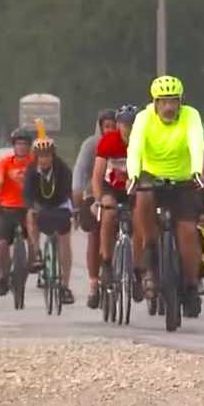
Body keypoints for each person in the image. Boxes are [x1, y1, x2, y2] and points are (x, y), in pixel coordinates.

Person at [125, 74, 204, 315]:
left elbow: (197, 143)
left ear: (181, 101)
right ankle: (150, 247)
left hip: (184, 180)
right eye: (163, 102)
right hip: (151, 176)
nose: (169, 107)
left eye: (173, 101)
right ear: (155, 103)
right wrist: (133, 175)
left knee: (188, 232)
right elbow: (135, 148)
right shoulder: (143, 118)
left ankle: (190, 286)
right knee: (143, 199)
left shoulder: (191, 115)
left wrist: (197, 171)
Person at [92, 105, 137, 308]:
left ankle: (140, 268)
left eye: (132, 125)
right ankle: (107, 262)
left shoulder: (142, 141)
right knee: (109, 214)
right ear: (118, 125)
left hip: (133, 188)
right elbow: (97, 175)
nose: (128, 129)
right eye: (124, 125)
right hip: (110, 187)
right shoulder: (109, 141)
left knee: (142, 216)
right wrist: (98, 199)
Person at [74, 109, 118, 308]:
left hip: (120, 194)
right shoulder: (91, 145)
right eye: (107, 126)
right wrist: (77, 196)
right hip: (93, 194)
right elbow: (79, 173)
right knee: (94, 233)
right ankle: (93, 283)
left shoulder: (127, 144)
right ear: (100, 127)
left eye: (114, 126)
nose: (111, 130)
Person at [23, 137, 75, 304]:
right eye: (41, 156)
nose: (44, 159)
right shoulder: (31, 170)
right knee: (30, 214)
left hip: (59, 205)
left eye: (47, 155)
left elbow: (67, 192)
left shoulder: (63, 169)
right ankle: (37, 253)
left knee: (64, 240)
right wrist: (33, 207)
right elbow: (27, 195)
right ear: (36, 157)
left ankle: (65, 286)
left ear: (53, 155)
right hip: (41, 206)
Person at [0, 128, 35, 295]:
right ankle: (3, 276)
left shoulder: (34, 162)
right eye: (18, 144)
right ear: (13, 146)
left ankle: (29, 268)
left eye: (25, 144)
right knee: (1, 243)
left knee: (33, 243)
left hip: (28, 209)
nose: (21, 147)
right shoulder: (5, 162)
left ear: (29, 146)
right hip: (7, 208)